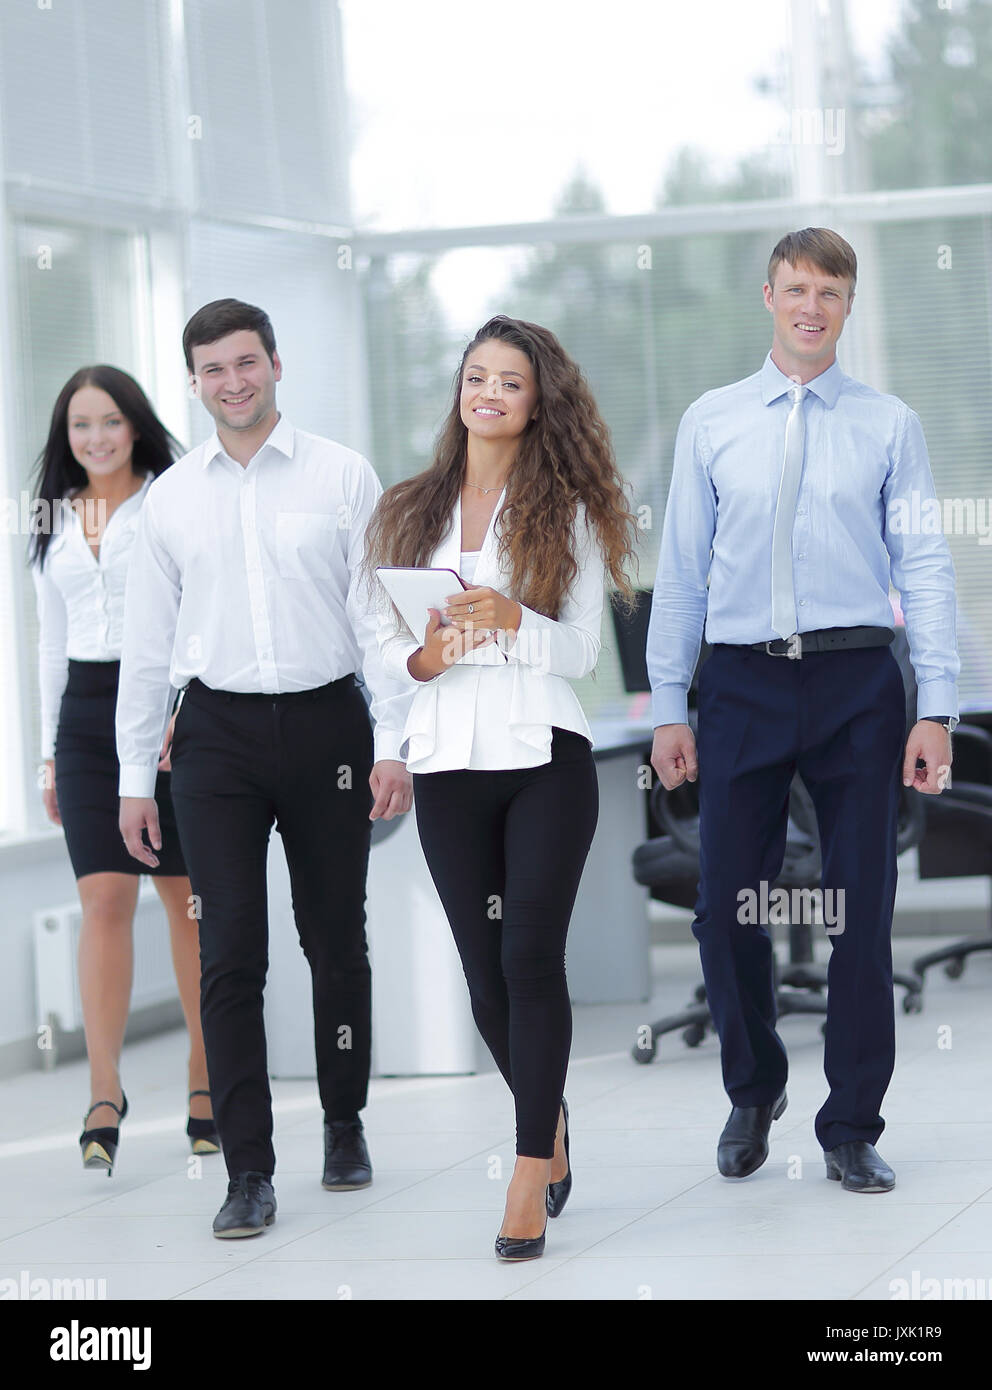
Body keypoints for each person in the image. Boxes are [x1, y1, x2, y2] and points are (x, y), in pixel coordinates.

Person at [647, 228, 959, 1193]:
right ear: (769, 299)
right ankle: (754, 1088)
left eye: (829, 290)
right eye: (795, 289)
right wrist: (668, 701)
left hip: (860, 683)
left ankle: (850, 1125)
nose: (811, 306)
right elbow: (682, 573)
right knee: (722, 904)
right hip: (740, 681)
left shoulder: (888, 424)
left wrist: (935, 704)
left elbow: (926, 566)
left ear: (848, 305)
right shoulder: (712, 420)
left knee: (859, 910)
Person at [116, 299, 414, 1239]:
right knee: (229, 950)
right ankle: (247, 1169)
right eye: (212, 369)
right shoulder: (170, 499)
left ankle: (343, 1121)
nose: (232, 382)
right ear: (194, 381)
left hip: (328, 725)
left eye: (246, 363)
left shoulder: (340, 474)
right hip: (214, 740)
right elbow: (145, 648)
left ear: (276, 365)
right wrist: (134, 776)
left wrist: (393, 743)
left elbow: (379, 620)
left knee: (335, 936)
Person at [364, 314, 638, 1260]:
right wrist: (425, 656)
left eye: (509, 382)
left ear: (536, 402)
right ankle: (549, 1116)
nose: (488, 393)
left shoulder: (563, 510)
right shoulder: (410, 507)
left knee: (529, 961)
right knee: (484, 979)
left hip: (543, 758)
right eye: (476, 376)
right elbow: (382, 653)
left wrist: (513, 616)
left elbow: (583, 650)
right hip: (447, 765)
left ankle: (527, 1169)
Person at [28, 366, 218, 1176]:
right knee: (103, 898)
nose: (96, 437)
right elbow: (47, 641)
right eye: (80, 426)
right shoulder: (51, 518)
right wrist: (45, 753)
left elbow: (203, 611)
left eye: (110, 422)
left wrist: (182, 708)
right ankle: (105, 1091)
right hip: (83, 718)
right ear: (65, 437)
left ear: (136, 426)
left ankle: (205, 1084)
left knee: (185, 900)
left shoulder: (173, 500)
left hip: (164, 709)